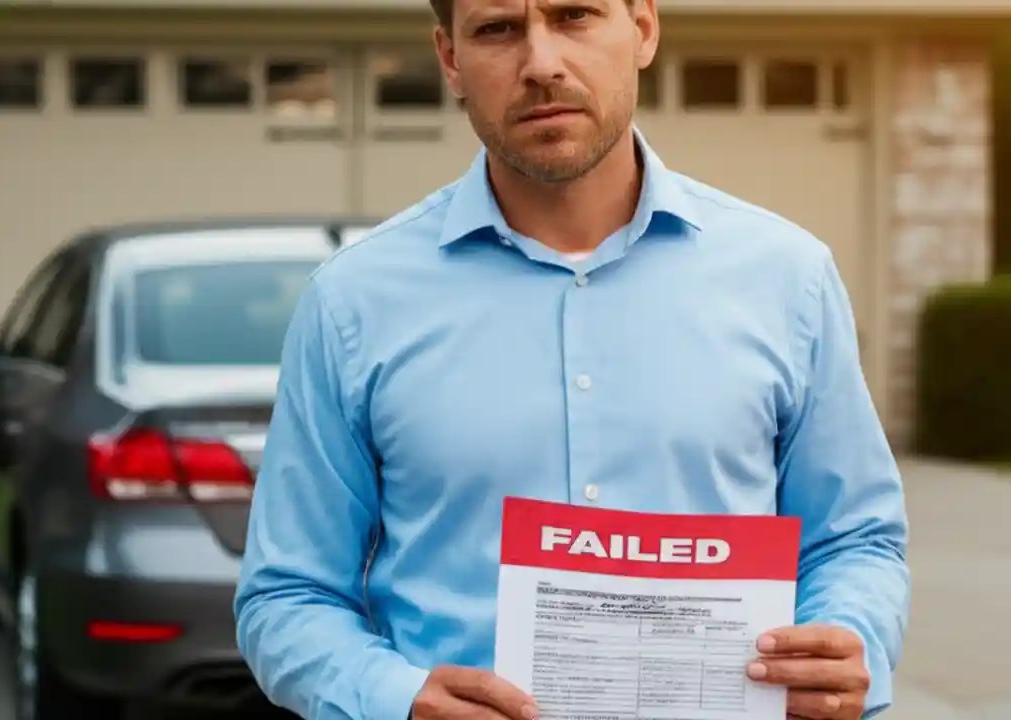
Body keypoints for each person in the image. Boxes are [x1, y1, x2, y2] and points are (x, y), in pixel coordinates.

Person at [233, 0, 910, 718]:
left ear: (643, 28)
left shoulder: (787, 278)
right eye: (498, 29)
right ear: (450, 59)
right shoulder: (353, 302)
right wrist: (395, 700)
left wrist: (849, 637)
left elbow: (855, 540)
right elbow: (288, 595)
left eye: (575, 15)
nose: (542, 64)